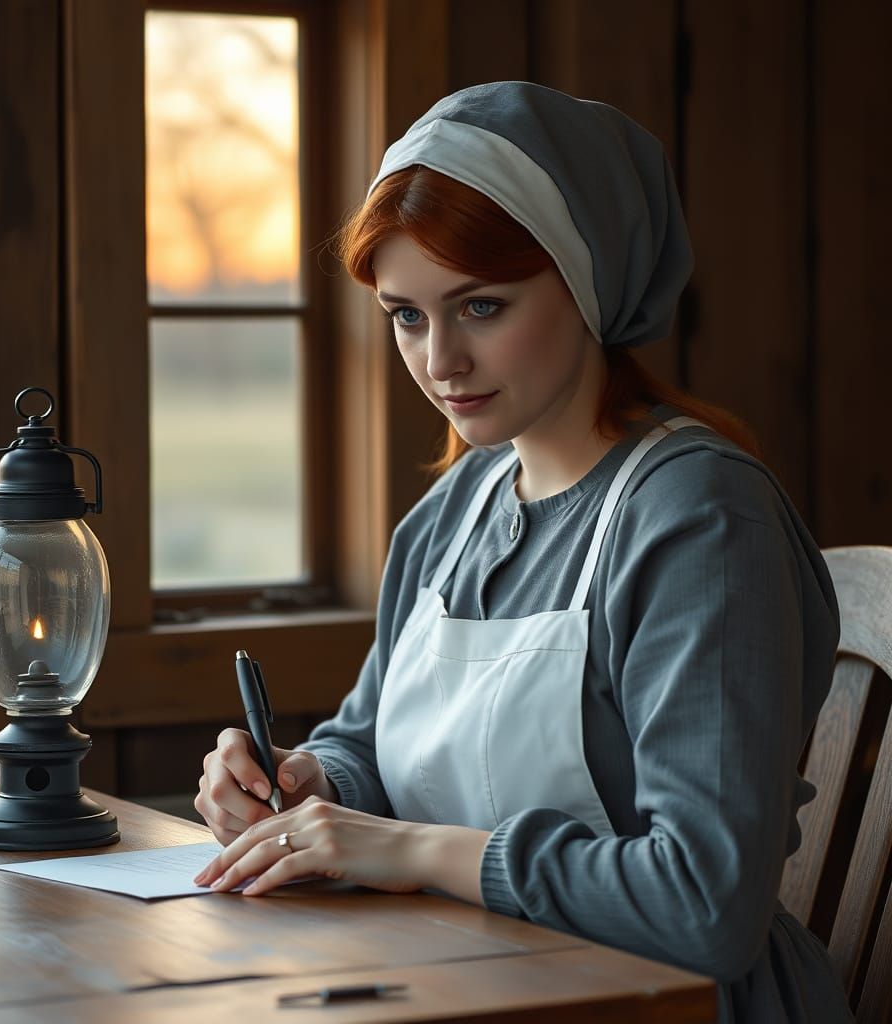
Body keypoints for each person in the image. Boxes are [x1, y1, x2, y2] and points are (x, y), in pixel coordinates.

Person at [192, 81, 853, 1022]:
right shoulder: (451, 512)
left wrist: (410, 849)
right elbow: (375, 741)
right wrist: (306, 784)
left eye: (483, 307)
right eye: (406, 316)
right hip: (466, 981)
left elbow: (708, 906)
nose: (440, 362)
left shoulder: (699, 519)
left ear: (590, 280)